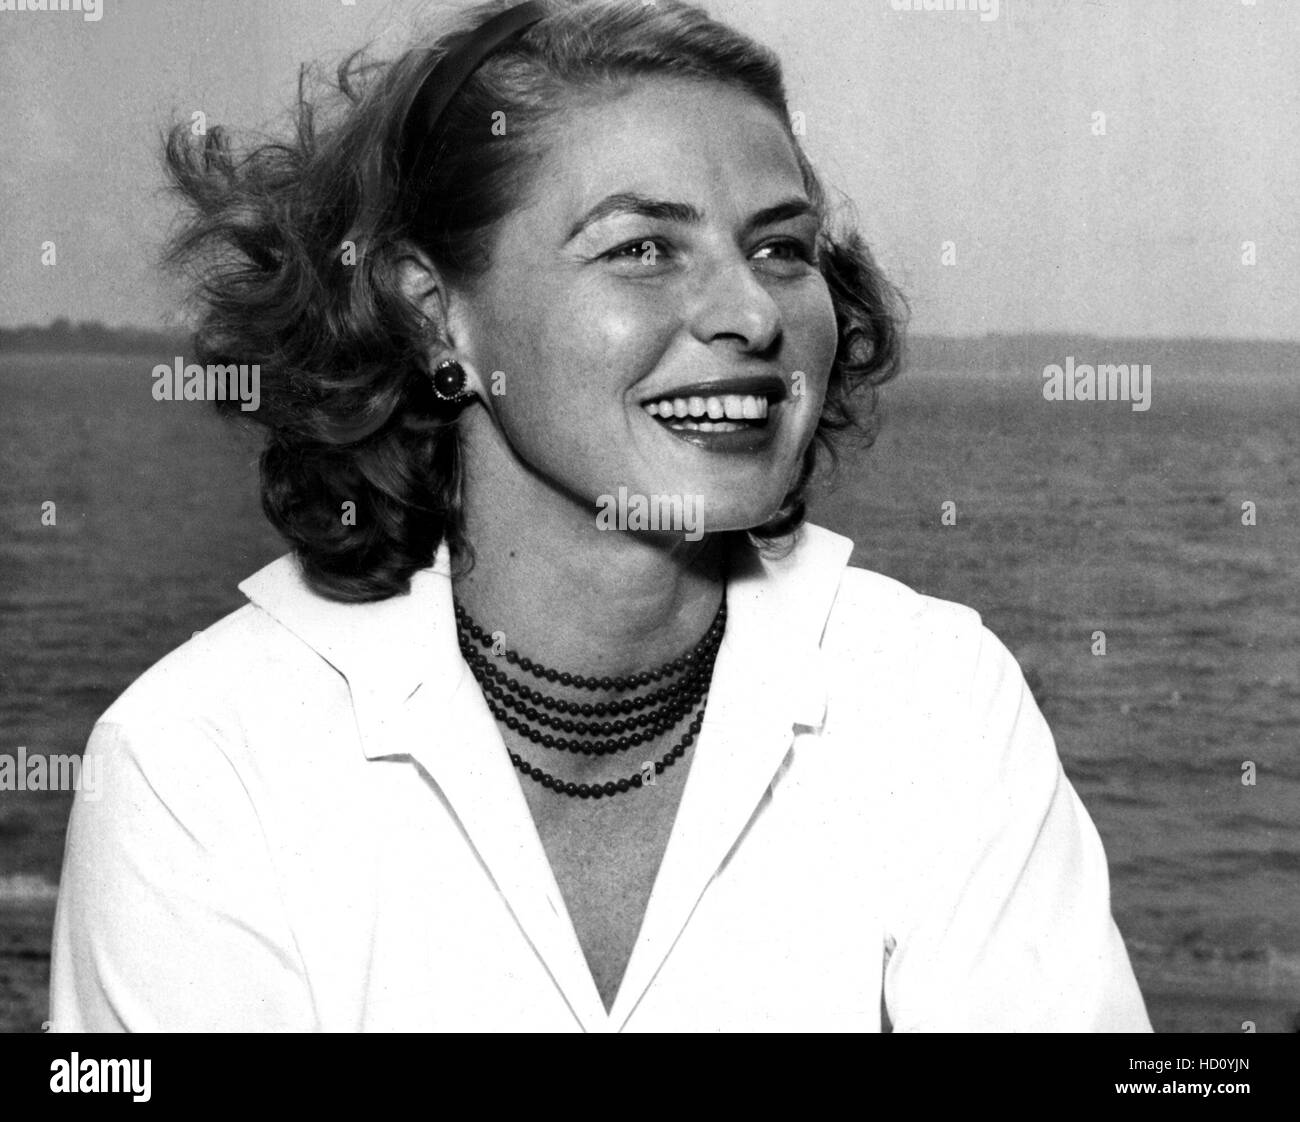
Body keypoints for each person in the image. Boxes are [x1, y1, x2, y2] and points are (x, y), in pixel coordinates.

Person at [49, 0, 1152, 1032]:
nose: (751, 312)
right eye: (639, 248)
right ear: (436, 317)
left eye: (780, 248)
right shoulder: (196, 764)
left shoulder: (932, 694)